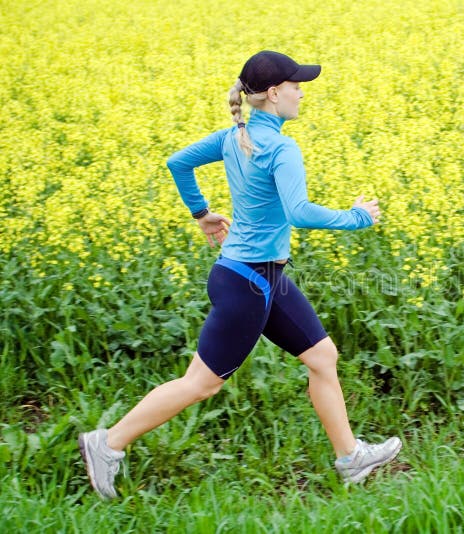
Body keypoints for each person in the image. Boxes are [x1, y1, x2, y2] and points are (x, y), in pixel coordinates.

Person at [78, 50, 402, 499]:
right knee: (201, 384)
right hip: (249, 284)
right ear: (273, 93)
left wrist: (201, 213)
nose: (301, 92)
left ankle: (350, 459)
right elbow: (300, 213)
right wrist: (357, 217)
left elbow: (178, 162)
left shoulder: (236, 135)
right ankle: (107, 444)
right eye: (295, 85)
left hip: (259, 278)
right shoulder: (282, 147)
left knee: (323, 357)